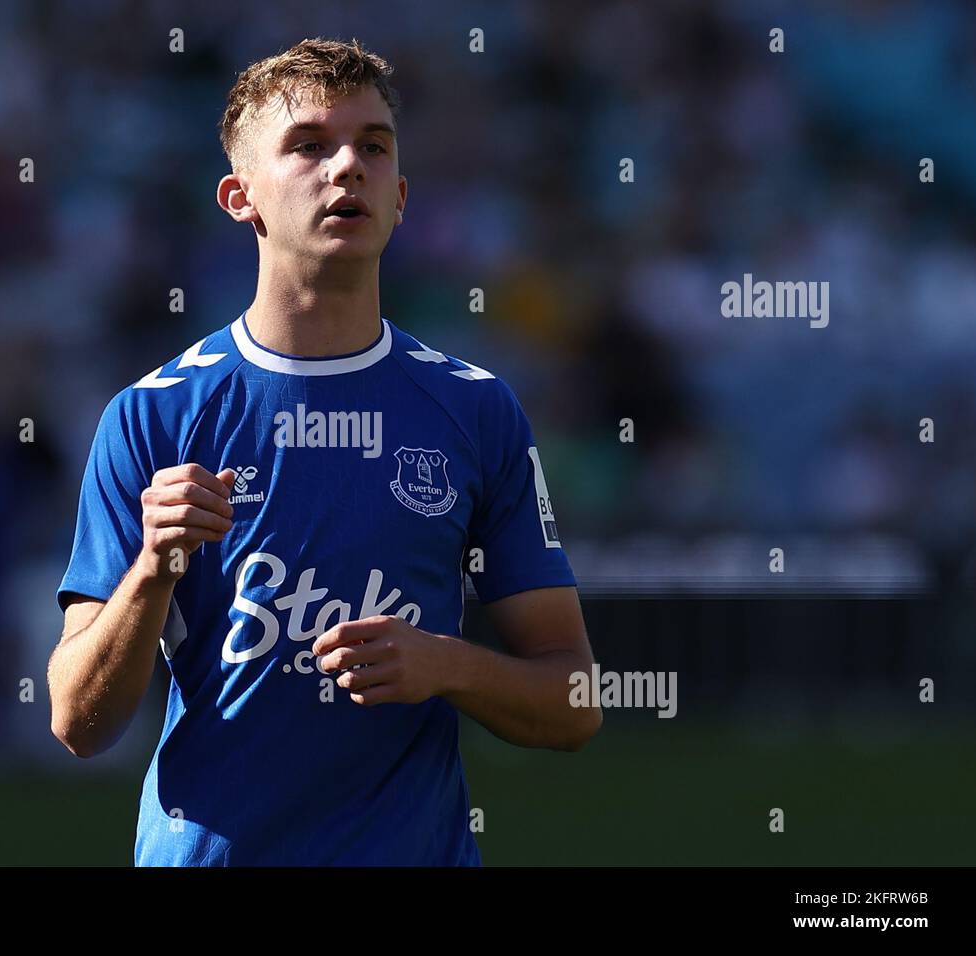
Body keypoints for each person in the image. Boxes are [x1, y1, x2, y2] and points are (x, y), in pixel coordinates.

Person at [48, 37, 600, 866]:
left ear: (402, 195)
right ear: (241, 197)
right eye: (309, 145)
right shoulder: (152, 416)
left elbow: (576, 700)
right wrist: (154, 569)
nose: (347, 167)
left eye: (372, 147)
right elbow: (77, 722)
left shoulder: (475, 410)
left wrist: (446, 664)